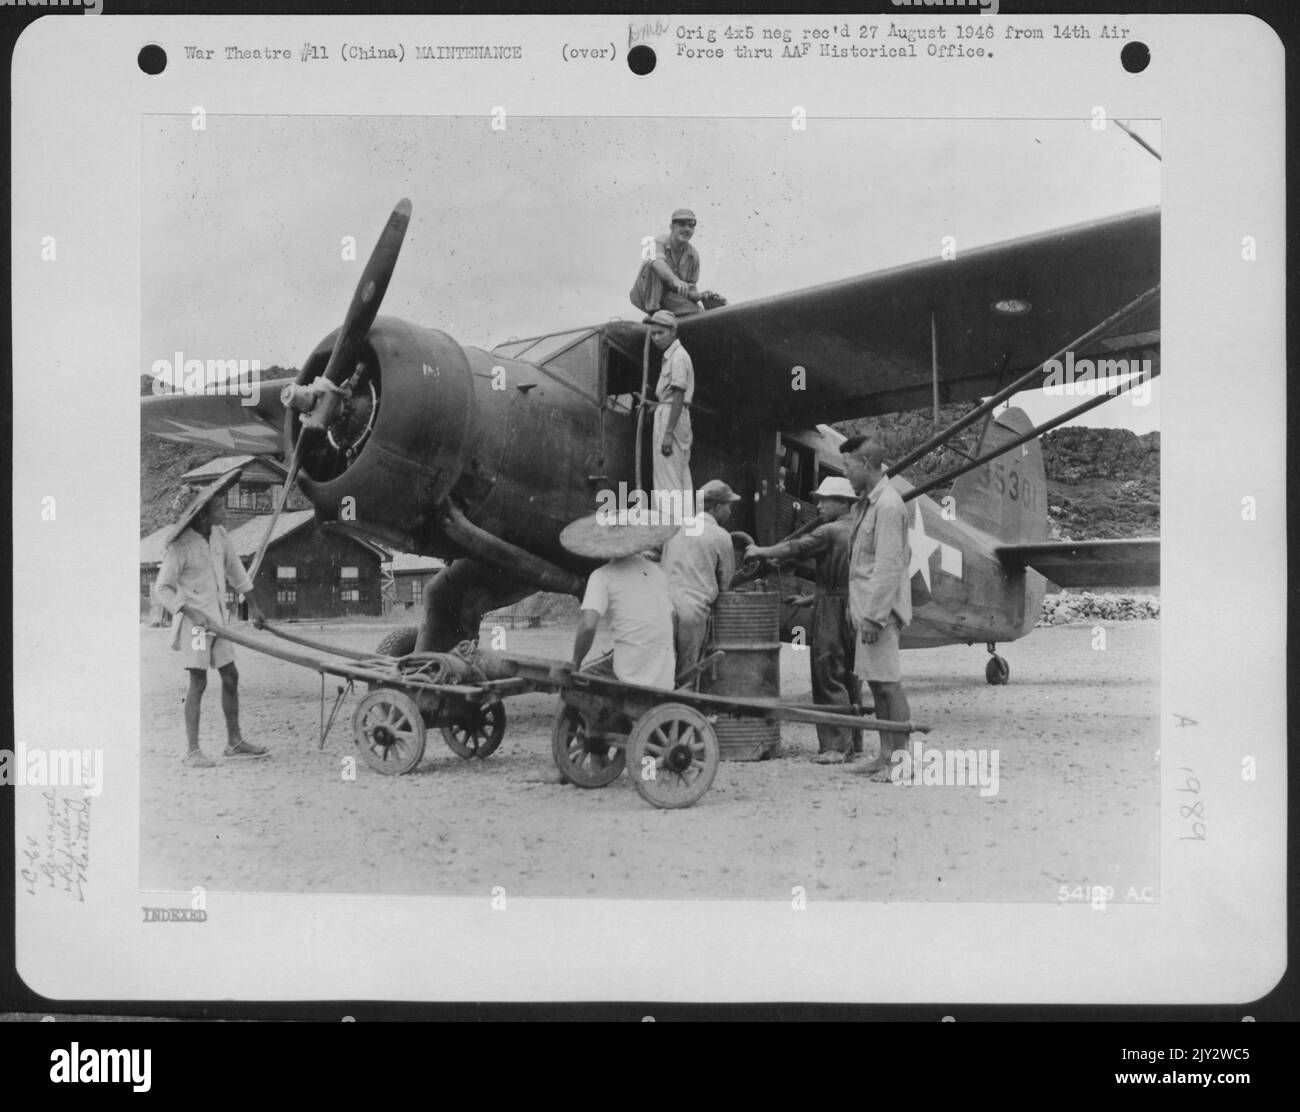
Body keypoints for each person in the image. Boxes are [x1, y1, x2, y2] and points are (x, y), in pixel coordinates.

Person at [154, 469, 269, 767]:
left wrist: (254, 606)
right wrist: (190, 612)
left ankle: (235, 741)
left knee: (231, 676)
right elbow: (163, 589)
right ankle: (192, 751)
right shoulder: (180, 548)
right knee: (199, 682)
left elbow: (237, 573)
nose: (225, 511)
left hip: (218, 621)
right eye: (219, 507)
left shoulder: (219, 536)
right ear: (203, 514)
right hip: (195, 626)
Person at [744, 476, 861, 763]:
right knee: (850, 674)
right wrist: (810, 599)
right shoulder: (859, 530)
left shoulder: (830, 532)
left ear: (844, 503)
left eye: (825, 500)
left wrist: (761, 551)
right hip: (855, 604)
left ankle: (834, 746)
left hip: (832, 609)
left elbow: (795, 548)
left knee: (827, 671)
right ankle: (855, 742)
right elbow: (845, 580)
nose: (818, 505)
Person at [838, 435, 913, 781]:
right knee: (877, 684)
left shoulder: (887, 506)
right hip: (868, 610)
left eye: (848, 466)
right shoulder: (868, 504)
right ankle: (885, 755)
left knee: (888, 684)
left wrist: (873, 616)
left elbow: (887, 566)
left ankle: (901, 762)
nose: (846, 474)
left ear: (865, 463)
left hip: (877, 614)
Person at [561, 515, 681, 691]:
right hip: (664, 676)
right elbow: (672, 619)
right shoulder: (658, 573)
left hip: (630, 674)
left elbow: (587, 626)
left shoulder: (602, 576)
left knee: (575, 683)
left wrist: (575, 662)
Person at [661, 479, 740, 678]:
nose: (730, 512)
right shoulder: (721, 536)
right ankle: (683, 707)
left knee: (662, 670)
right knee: (686, 674)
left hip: (664, 606)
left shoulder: (677, 528)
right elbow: (725, 583)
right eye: (728, 506)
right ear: (717, 506)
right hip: (693, 613)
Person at [629, 208, 723, 318]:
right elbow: (657, 262)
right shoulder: (658, 242)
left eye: (691, 225)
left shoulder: (693, 256)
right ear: (672, 227)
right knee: (652, 265)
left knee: (699, 314)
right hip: (646, 296)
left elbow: (690, 290)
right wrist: (675, 280)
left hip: (670, 298)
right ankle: (654, 315)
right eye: (682, 224)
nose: (686, 229)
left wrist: (701, 296)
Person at [649, 309, 695, 512]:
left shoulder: (677, 357)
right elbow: (672, 396)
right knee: (678, 479)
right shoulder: (674, 355)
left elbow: (678, 394)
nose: (655, 338)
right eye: (653, 333)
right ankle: (682, 533)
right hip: (671, 412)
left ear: (673, 331)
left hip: (671, 418)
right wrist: (654, 405)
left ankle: (671, 537)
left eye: (660, 333)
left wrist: (667, 432)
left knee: (667, 482)